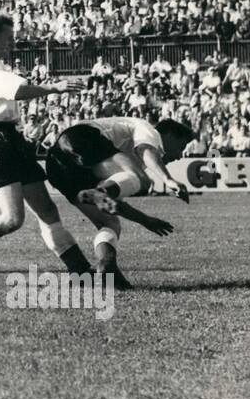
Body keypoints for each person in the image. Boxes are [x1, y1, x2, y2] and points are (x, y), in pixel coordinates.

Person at [0, 15, 94, 285]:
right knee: (12, 219)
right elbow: (15, 91)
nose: (13, 43)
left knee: (47, 210)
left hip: (11, 139)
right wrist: (53, 87)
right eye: (9, 37)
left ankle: (81, 272)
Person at [43, 116, 197, 287]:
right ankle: (100, 192)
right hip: (81, 136)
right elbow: (146, 150)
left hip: (57, 164)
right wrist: (167, 179)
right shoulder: (148, 129)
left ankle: (108, 267)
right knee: (144, 181)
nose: (179, 156)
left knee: (109, 221)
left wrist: (145, 220)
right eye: (181, 146)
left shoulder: (121, 166)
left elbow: (115, 205)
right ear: (170, 135)